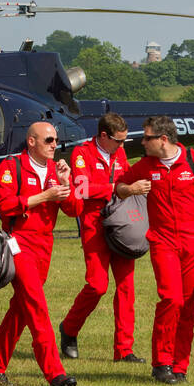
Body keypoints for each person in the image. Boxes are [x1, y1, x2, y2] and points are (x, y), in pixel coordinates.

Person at [115, 116, 194, 384]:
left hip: (193, 243)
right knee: (171, 299)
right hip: (162, 242)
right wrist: (130, 189)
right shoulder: (146, 165)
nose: (141, 142)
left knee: (188, 305)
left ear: (163, 140)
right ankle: (161, 363)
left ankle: (180, 365)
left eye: (146, 138)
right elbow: (119, 187)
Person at [0, 122, 81, 386]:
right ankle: (54, 373)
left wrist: (65, 183)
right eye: (48, 140)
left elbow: (74, 209)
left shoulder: (56, 170)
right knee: (36, 306)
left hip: (45, 245)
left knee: (21, 309)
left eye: (56, 140)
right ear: (31, 141)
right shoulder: (11, 167)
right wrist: (43, 196)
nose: (54, 145)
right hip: (19, 243)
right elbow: (5, 205)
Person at [59, 113, 142, 363]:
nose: (122, 146)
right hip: (94, 224)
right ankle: (69, 329)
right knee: (97, 285)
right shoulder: (81, 154)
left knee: (126, 286)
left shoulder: (120, 154)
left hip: (121, 223)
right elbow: (83, 190)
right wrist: (116, 188)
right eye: (118, 141)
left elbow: (126, 179)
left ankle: (124, 350)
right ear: (103, 136)